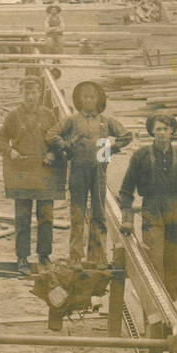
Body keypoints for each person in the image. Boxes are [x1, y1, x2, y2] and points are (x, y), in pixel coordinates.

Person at [47, 81, 131, 267]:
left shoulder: (105, 122)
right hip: (78, 170)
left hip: (99, 171)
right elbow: (51, 134)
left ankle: (97, 256)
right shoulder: (72, 120)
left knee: (99, 213)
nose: (89, 100)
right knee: (77, 214)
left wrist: (110, 149)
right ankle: (76, 256)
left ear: (98, 99)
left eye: (92, 97)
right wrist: (65, 146)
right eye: (85, 97)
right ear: (79, 100)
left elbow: (127, 136)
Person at [117, 112, 177, 299]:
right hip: (152, 211)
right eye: (158, 129)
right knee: (154, 260)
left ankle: (171, 308)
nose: (161, 133)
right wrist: (127, 219)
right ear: (152, 131)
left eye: (165, 129)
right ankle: (157, 305)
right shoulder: (140, 156)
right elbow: (126, 190)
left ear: (172, 131)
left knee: (173, 261)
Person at [0, 75, 64, 274]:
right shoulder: (13, 116)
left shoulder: (49, 115)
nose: (30, 97)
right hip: (22, 173)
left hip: (44, 173)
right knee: (22, 219)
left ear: (39, 93)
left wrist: (53, 152)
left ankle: (44, 256)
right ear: (20, 94)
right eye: (26, 93)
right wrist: (10, 151)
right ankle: (22, 258)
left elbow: (60, 139)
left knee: (46, 217)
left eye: (33, 93)